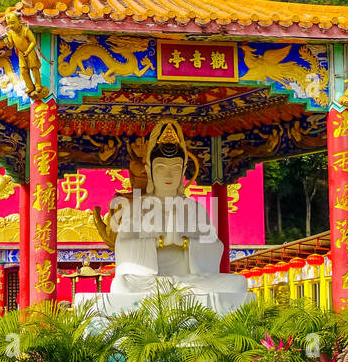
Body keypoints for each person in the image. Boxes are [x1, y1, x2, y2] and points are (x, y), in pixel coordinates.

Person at [91, 119, 252, 315]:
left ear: (184, 171)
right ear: (150, 170)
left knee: (237, 283)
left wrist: (186, 243)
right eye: (161, 168)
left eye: (175, 168)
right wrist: (158, 242)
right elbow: (123, 247)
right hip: (148, 284)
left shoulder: (194, 209)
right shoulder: (135, 208)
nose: (169, 175)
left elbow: (215, 246)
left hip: (189, 282)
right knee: (122, 286)